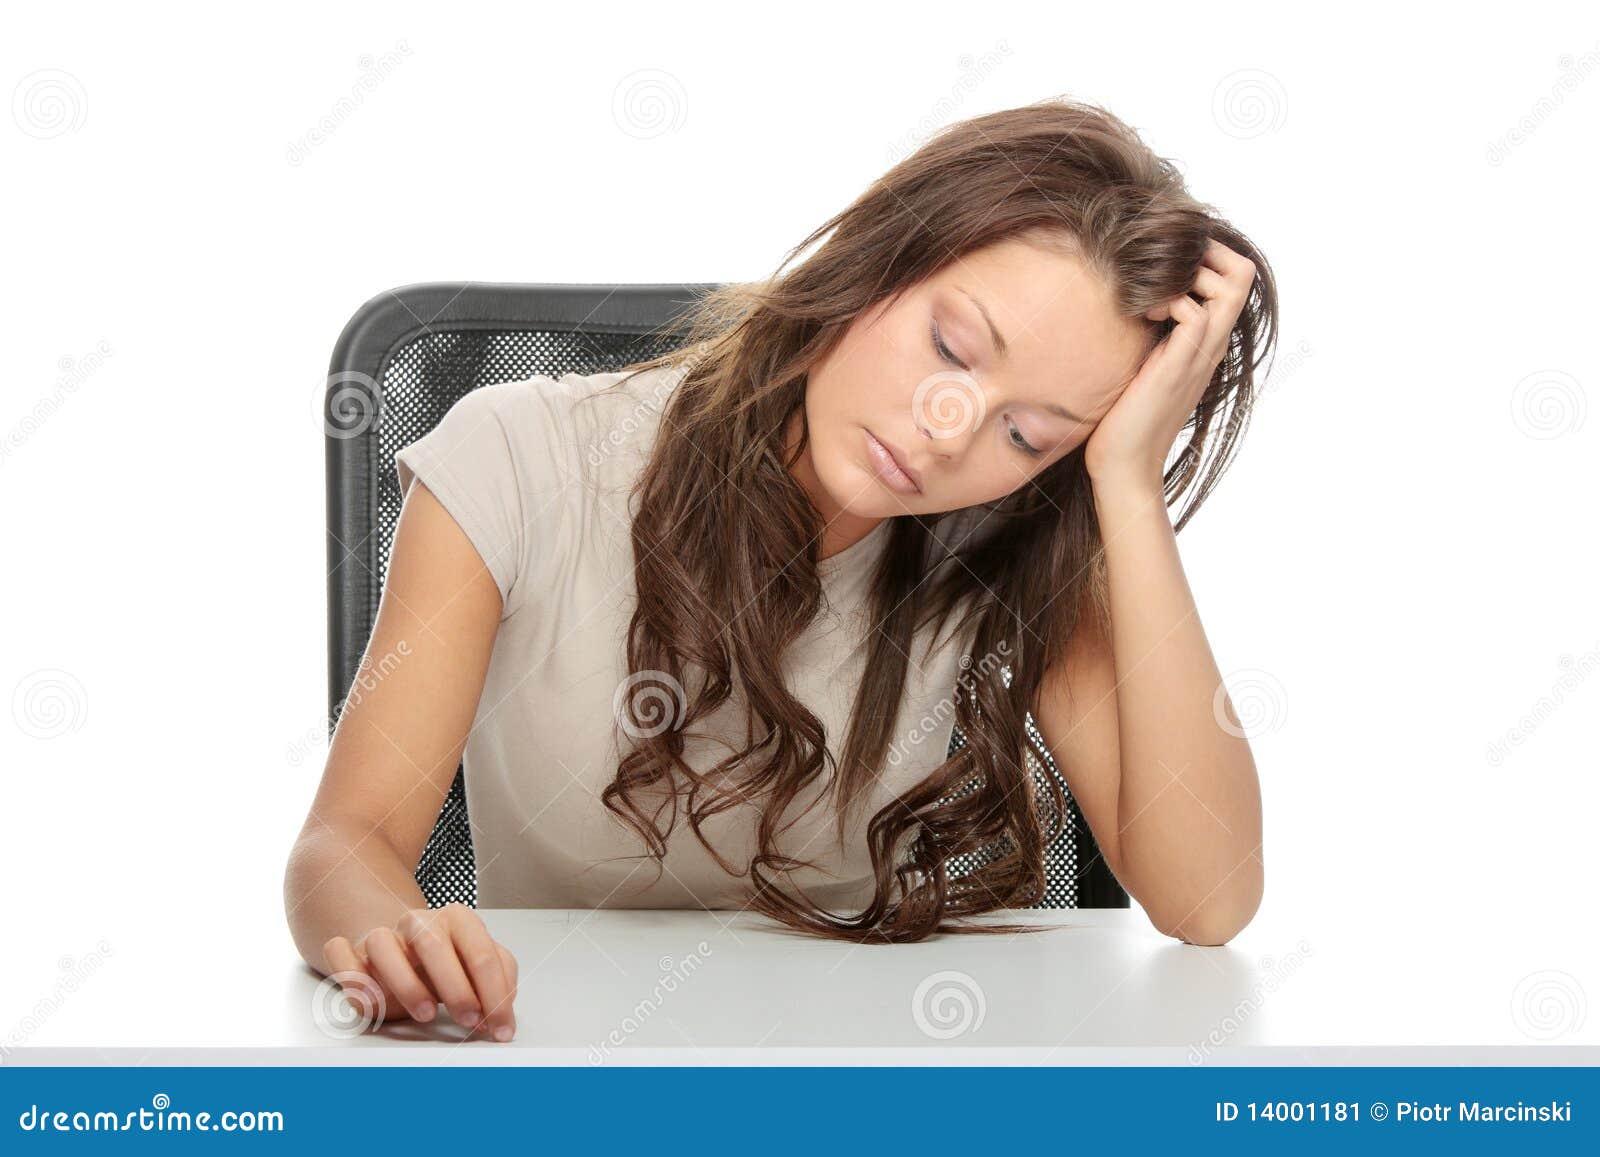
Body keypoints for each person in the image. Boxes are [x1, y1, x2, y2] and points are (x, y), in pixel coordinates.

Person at [284, 96, 1277, 1042]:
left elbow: (1209, 898)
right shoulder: (519, 454)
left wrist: (1128, 485)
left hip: (859, 1067)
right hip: (565, 1057)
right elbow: (345, 841)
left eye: (1024, 432)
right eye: (950, 344)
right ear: (875, 257)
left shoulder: (1009, 540)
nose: (947, 431)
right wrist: (399, 939)